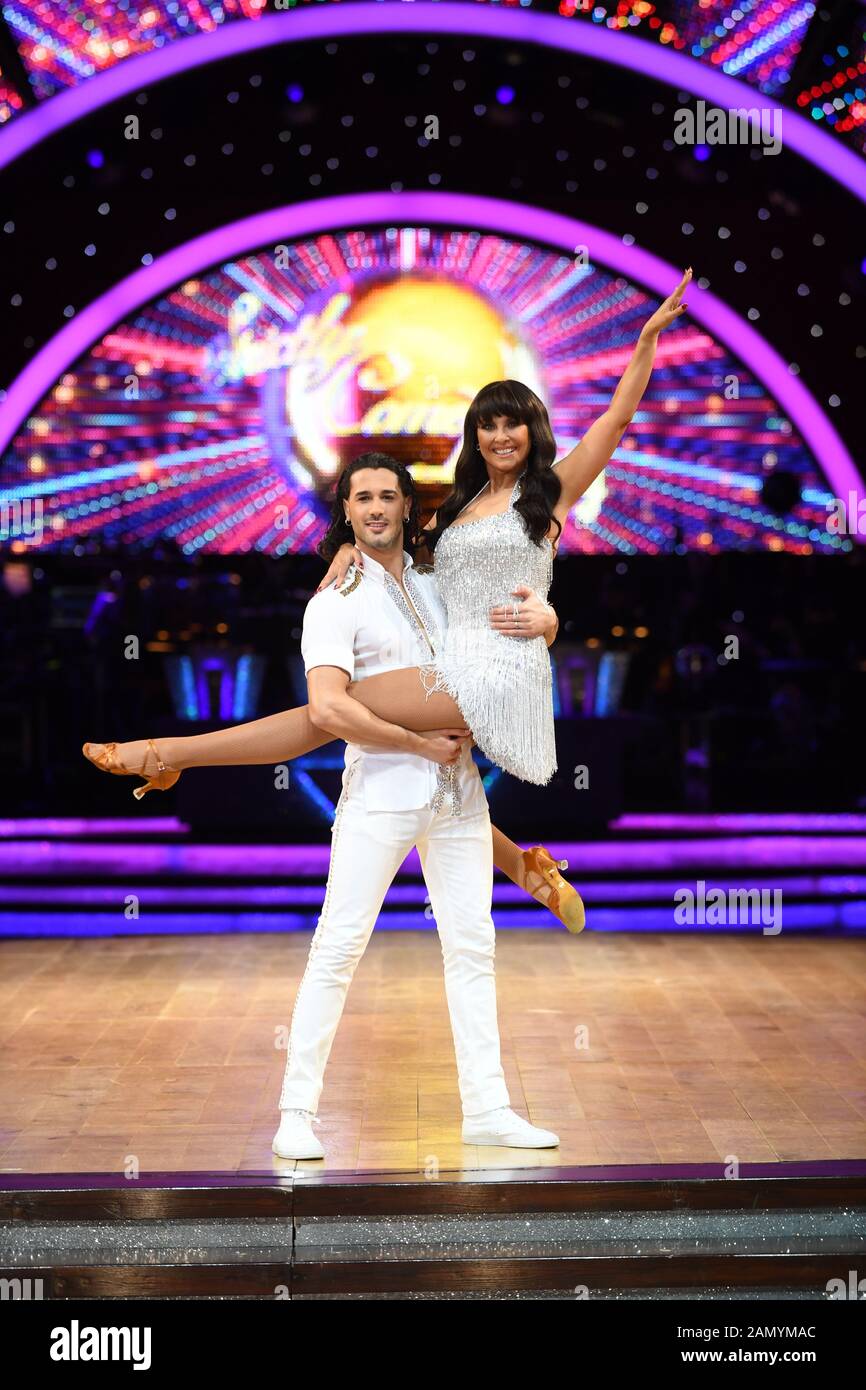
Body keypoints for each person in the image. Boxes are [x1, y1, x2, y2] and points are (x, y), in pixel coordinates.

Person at [271, 453, 559, 1157]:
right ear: (346, 510)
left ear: (407, 507)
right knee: (339, 946)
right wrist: (415, 738)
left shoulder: (440, 585)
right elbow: (328, 708)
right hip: (380, 796)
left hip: (457, 796)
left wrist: (546, 619)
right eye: (362, 498)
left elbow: (510, 634)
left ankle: (488, 1107)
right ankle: (295, 1114)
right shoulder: (332, 601)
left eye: (387, 497)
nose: (375, 509)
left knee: (473, 947)